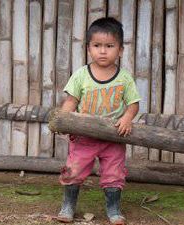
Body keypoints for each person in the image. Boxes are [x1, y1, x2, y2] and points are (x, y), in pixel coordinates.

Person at [56, 17, 140, 225]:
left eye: (109, 46)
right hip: (83, 137)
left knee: (114, 174)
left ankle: (113, 209)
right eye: (97, 46)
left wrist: (127, 118)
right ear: (88, 49)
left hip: (113, 137)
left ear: (120, 50)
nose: (103, 51)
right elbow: (71, 101)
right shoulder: (81, 75)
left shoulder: (124, 78)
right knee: (73, 171)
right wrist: (64, 121)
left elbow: (133, 104)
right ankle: (68, 206)